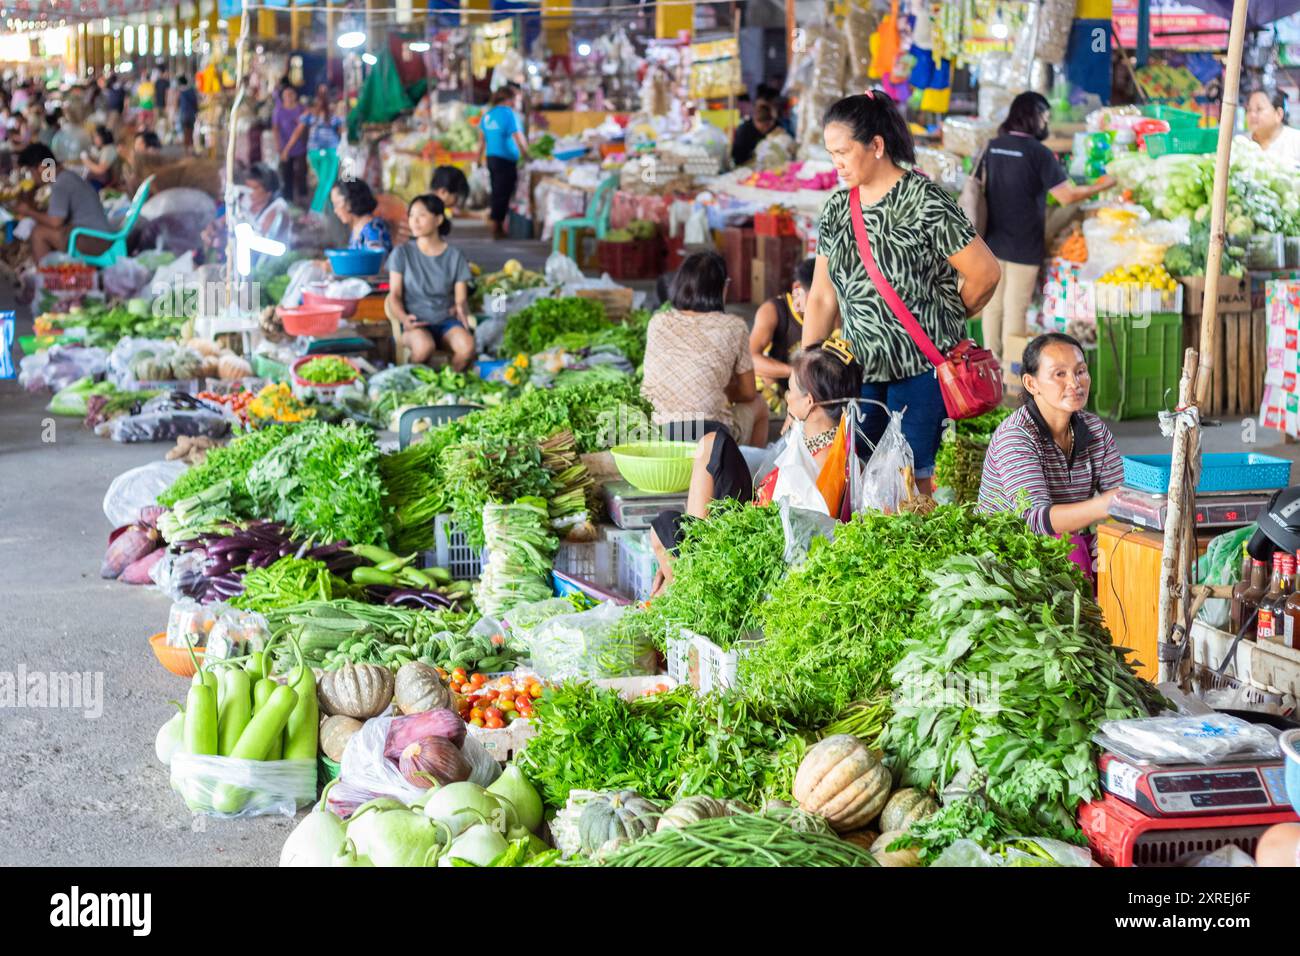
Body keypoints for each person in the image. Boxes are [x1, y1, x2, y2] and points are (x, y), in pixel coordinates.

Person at [802, 90, 1001, 493]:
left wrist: (944, 320)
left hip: (922, 370)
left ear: (876, 145)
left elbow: (985, 272)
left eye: (843, 151)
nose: (836, 162)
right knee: (855, 478)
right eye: (831, 153)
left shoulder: (925, 200)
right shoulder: (837, 209)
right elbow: (822, 297)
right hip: (858, 369)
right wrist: (806, 375)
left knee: (912, 481)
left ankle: (916, 553)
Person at [648, 336, 864, 593]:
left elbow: (787, 550)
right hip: (755, 521)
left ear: (809, 403)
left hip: (758, 559)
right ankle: (691, 557)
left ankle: (684, 585)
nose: (786, 396)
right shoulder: (820, 437)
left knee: (663, 529)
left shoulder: (819, 468)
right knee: (713, 442)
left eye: (791, 390)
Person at [981, 92, 1115, 367]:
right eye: (1044, 117)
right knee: (1015, 309)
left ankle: (989, 371)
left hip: (991, 241)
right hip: (1024, 244)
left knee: (993, 307)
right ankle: (1010, 375)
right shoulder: (1038, 153)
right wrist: (1104, 185)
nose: (1046, 123)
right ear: (1032, 117)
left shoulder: (992, 146)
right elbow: (1066, 197)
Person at [978, 332, 1123, 578]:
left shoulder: (1095, 430)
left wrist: (1113, 531)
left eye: (1080, 371)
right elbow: (1035, 520)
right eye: (1060, 374)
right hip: (1008, 555)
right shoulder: (1016, 436)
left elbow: (1121, 496)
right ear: (1031, 383)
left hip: (1066, 541)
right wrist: (1104, 506)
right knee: (1072, 552)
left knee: (1123, 550)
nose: (1075, 383)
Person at [641, 250, 771, 448]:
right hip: (710, 437)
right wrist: (720, 391)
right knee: (760, 405)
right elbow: (748, 392)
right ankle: (748, 474)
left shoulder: (658, 322)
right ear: (722, 288)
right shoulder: (734, 326)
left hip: (657, 434)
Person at [386, 194, 475, 370]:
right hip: (415, 323)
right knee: (424, 347)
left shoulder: (455, 256)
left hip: (446, 322)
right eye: (411, 216)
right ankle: (414, 386)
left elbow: (460, 299)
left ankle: (447, 387)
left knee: (467, 347)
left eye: (421, 215)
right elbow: (394, 295)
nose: (414, 221)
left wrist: (461, 309)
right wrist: (404, 318)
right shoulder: (402, 253)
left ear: (439, 219)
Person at [12, 143, 113, 262]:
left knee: (39, 233)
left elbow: (55, 222)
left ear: (40, 168)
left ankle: (46, 277)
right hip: (98, 236)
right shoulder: (66, 177)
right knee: (42, 227)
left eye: (31, 172)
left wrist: (28, 211)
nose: (32, 178)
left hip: (97, 241)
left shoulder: (61, 183)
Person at [751, 256, 815, 407]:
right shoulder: (772, 311)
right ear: (797, 288)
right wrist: (796, 372)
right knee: (766, 380)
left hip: (807, 392)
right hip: (777, 389)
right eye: (816, 296)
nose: (823, 302)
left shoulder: (829, 311)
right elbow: (751, 359)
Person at [479, 85, 527, 239]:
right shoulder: (508, 114)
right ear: (509, 99)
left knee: (497, 191)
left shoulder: (487, 115)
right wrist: (527, 154)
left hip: (491, 158)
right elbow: (518, 137)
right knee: (503, 193)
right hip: (505, 159)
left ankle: (497, 223)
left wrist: (477, 158)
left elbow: (481, 140)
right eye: (514, 99)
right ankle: (496, 225)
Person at [286, 91, 344, 214]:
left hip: (314, 153)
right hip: (329, 153)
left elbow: (297, 133)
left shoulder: (310, 115)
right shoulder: (333, 116)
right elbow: (342, 132)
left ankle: (328, 211)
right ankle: (316, 212)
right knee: (326, 183)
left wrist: (286, 149)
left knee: (324, 183)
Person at [331, 178, 393, 260]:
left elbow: (375, 262)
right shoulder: (357, 228)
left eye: (337, 204)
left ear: (350, 201)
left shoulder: (373, 229)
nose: (335, 210)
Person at [1244, 89, 1300, 167]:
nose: (1252, 115)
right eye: (1249, 110)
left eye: (1259, 109)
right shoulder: (1242, 143)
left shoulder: (1296, 141)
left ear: (1278, 114)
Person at [274, 86, 308, 206]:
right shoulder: (279, 111)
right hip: (284, 148)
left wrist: (286, 150)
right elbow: (276, 129)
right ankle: (288, 201)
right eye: (286, 95)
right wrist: (279, 147)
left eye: (291, 94)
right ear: (282, 97)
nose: (288, 97)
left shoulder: (302, 109)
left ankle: (303, 197)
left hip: (299, 148)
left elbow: (298, 131)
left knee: (302, 172)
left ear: (295, 95)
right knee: (287, 174)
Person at [732, 101, 778, 167]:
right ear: (756, 120)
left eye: (768, 125)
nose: (766, 129)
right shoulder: (744, 131)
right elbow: (738, 156)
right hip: (745, 165)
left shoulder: (773, 126)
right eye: (764, 126)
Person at [81, 125, 120, 191]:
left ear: (103, 137)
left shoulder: (109, 149)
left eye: (96, 137)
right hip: (98, 180)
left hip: (103, 182)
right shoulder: (104, 148)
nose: (94, 139)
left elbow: (100, 169)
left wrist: (86, 161)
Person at [176, 75, 198, 150]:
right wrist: (196, 111)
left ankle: (187, 149)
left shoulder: (181, 92)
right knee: (190, 131)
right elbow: (195, 103)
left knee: (185, 131)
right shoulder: (191, 90)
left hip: (183, 114)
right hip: (191, 114)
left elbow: (178, 104)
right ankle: (190, 147)